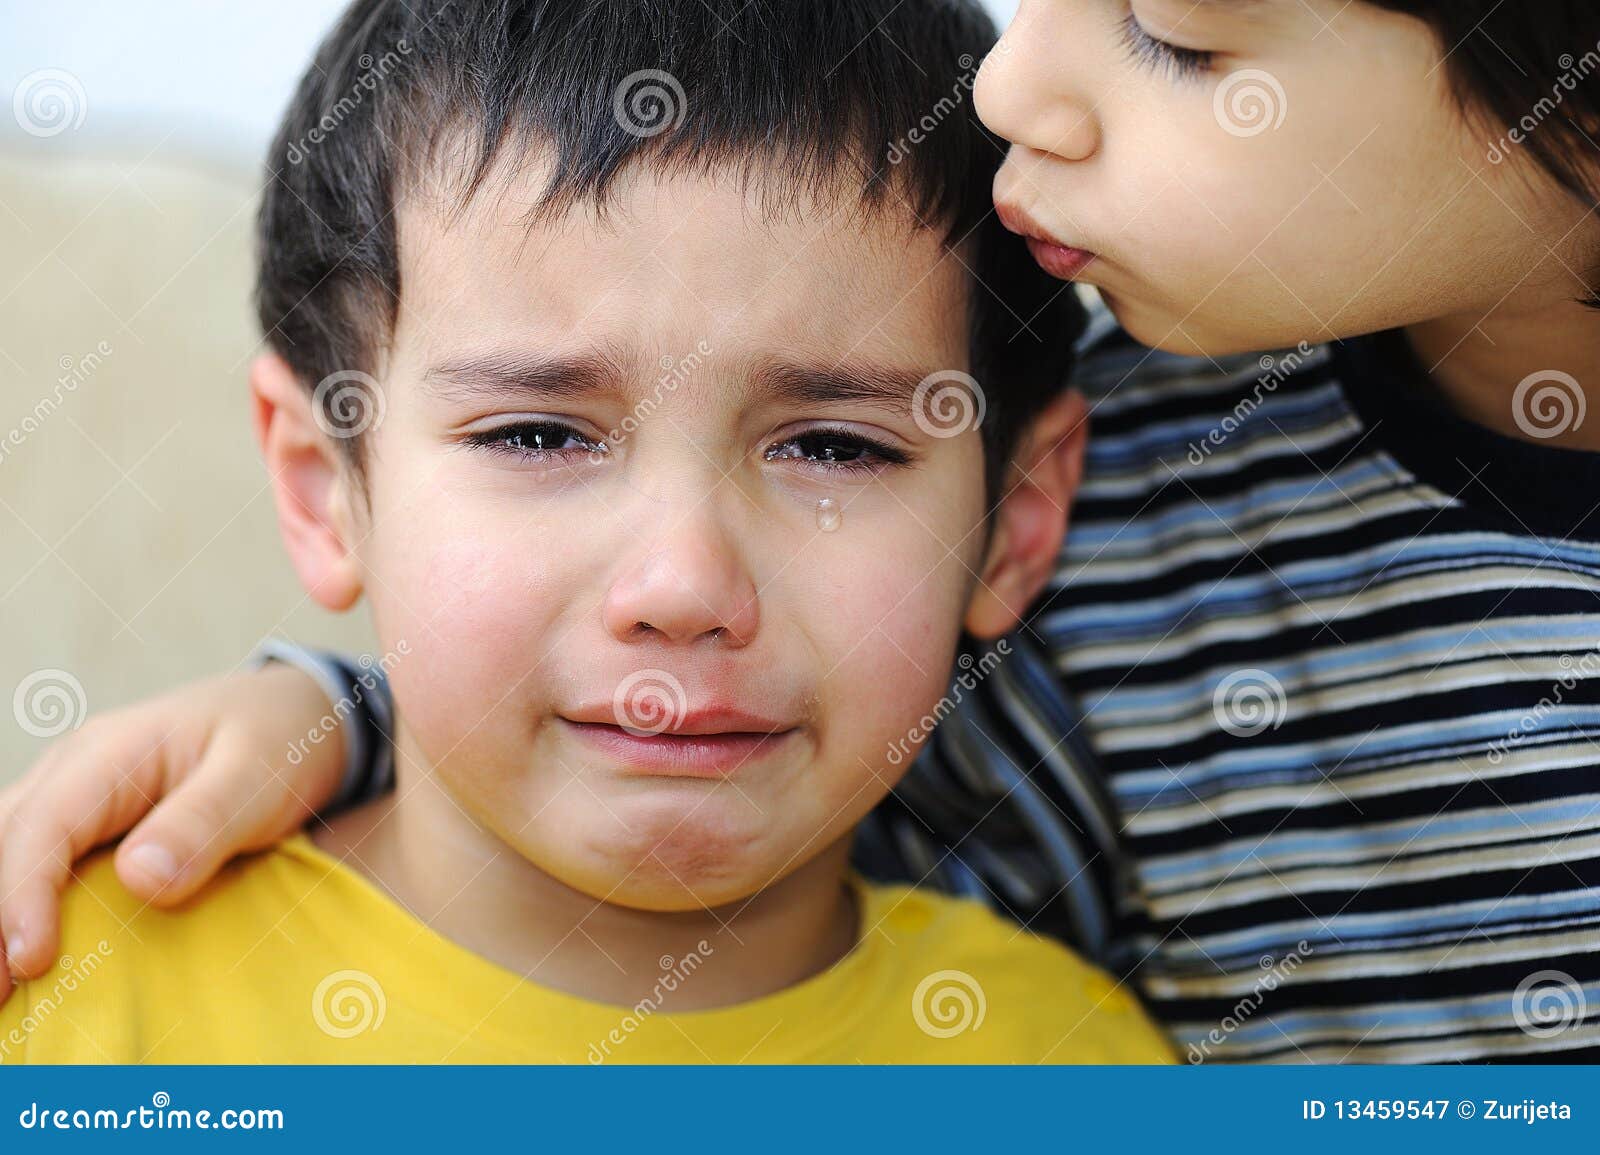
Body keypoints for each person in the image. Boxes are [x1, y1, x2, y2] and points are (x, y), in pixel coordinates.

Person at [6, 0, 1600, 1062]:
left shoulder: (1061, 1060)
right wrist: (340, 717)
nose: (1010, 87)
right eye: (542, 432)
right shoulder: (1166, 428)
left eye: (1175, 35)